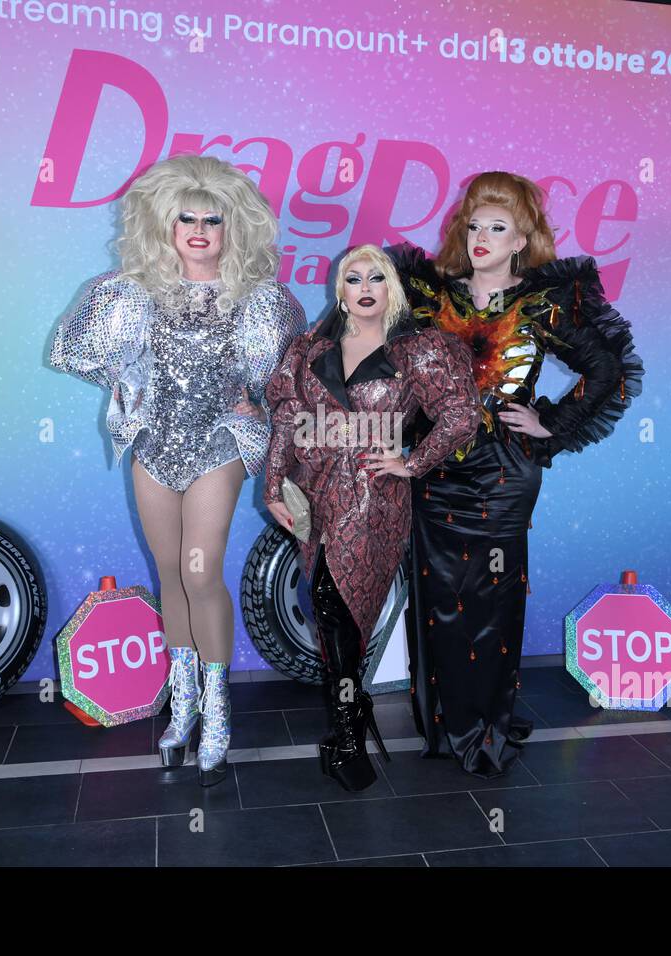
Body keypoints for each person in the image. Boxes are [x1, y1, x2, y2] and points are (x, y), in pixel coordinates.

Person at [50, 154, 305, 786]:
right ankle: (183, 698)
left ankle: (218, 714)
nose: (197, 230)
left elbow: (293, 379)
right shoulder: (130, 292)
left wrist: (261, 400)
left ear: (232, 228)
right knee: (171, 574)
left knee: (201, 570)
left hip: (219, 444)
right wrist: (124, 380)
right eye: (185, 218)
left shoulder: (261, 300)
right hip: (154, 447)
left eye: (211, 219)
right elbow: (76, 350)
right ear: (163, 225)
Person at [385, 170, 644, 778]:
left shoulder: (542, 302)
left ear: (522, 238)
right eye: (474, 223)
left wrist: (550, 421)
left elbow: (608, 372)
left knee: (492, 601)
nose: (481, 236)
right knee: (437, 598)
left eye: (497, 227)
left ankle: (486, 728)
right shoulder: (432, 297)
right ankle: (448, 725)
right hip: (436, 467)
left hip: (503, 472)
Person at [263, 244, 480, 791]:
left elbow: (460, 414)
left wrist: (412, 462)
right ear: (340, 289)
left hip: (373, 499)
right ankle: (351, 713)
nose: (364, 287)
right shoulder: (310, 349)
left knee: (340, 607)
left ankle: (344, 733)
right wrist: (272, 486)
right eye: (353, 277)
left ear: (392, 289)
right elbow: (289, 418)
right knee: (326, 605)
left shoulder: (416, 351)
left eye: (376, 277)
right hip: (313, 496)